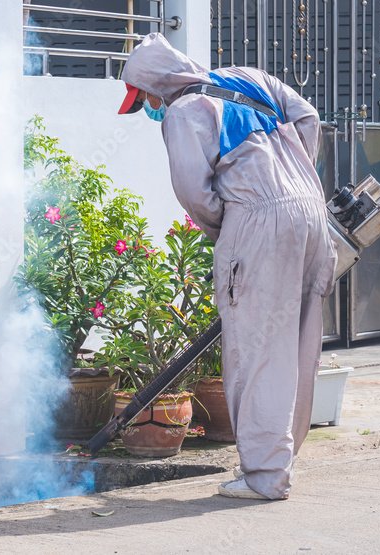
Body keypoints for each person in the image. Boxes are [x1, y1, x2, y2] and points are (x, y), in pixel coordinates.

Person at [117, 33, 337, 500]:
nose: (150, 107)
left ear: (157, 85)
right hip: (312, 211)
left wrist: (235, 228)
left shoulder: (181, 112)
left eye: (145, 99)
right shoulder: (248, 78)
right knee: (299, 345)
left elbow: (195, 194)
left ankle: (263, 476)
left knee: (256, 350)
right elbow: (308, 117)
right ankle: (280, 464)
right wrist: (297, 175)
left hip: (258, 219)